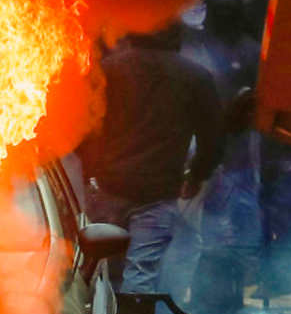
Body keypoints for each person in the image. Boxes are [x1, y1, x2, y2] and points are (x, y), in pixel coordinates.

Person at [80, 23, 223, 293]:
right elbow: (213, 138)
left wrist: (90, 172)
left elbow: (86, 126)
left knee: (99, 266)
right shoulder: (195, 77)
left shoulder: (110, 70)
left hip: (109, 185)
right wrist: (196, 176)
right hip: (158, 193)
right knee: (142, 271)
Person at [186, 0, 264, 314]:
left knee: (231, 238)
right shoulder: (200, 49)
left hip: (237, 156)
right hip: (210, 153)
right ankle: (209, 307)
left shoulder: (249, 51)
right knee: (213, 236)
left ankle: (225, 307)